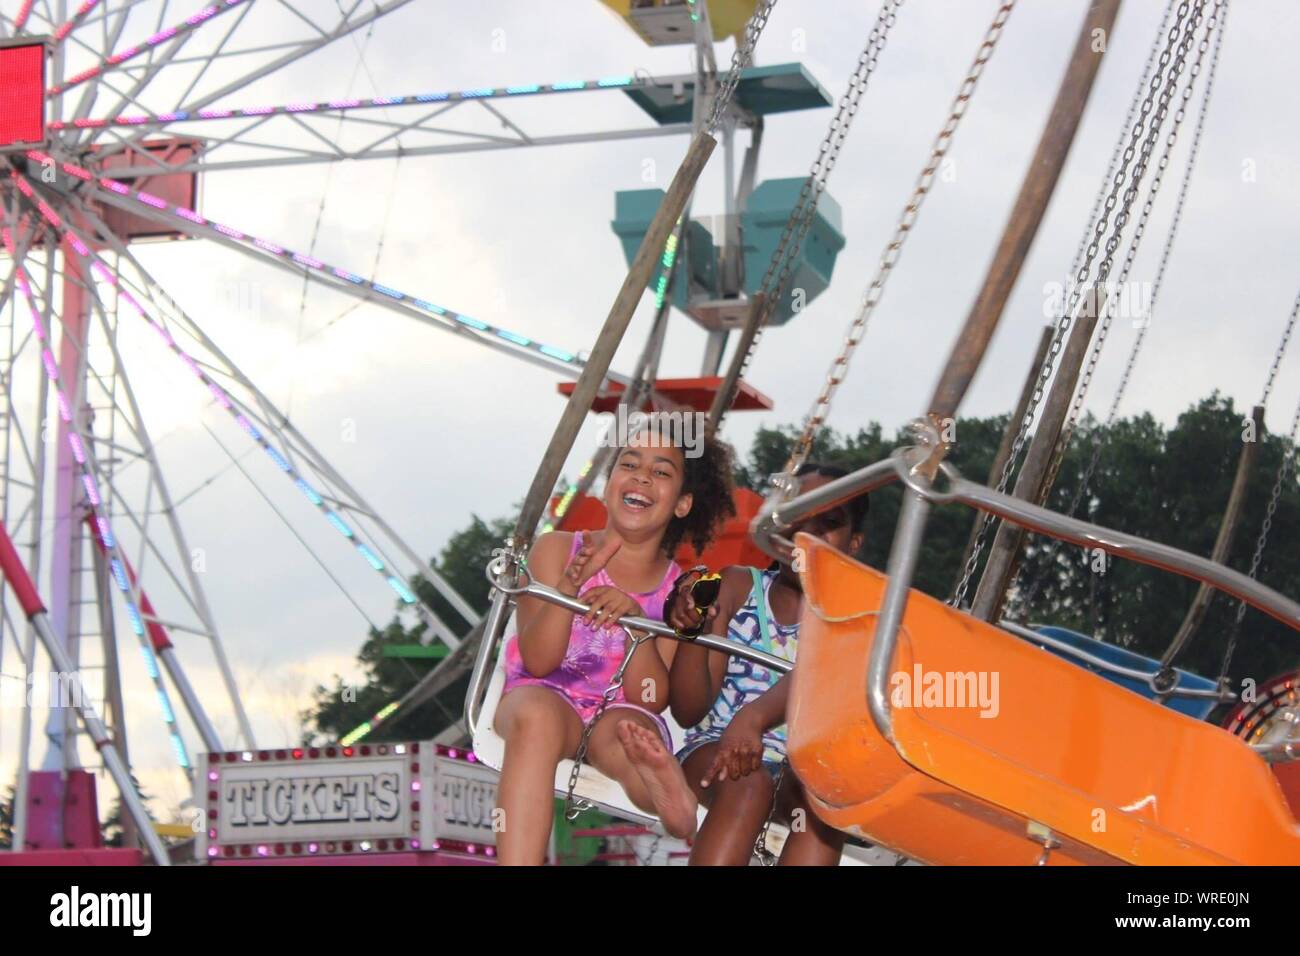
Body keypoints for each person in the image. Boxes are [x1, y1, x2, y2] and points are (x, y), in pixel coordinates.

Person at [492, 415, 736, 865]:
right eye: (630, 463)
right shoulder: (556, 549)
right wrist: (569, 588)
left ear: (682, 504)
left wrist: (640, 630)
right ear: (608, 486)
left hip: (617, 707)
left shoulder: (675, 589)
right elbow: (539, 661)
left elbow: (649, 696)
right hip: (543, 692)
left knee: (632, 736)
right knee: (538, 721)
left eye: (661, 471)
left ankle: (665, 793)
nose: (642, 475)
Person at [661, 462, 868, 865]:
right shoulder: (739, 587)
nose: (807, 532)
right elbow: (688, 711)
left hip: (801, 769)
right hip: (714, 750)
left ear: (853, 543)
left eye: (829, 521)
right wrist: (693, 631)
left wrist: (753, 718)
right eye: (797, 515)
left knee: (824, 805)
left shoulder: (853, 620)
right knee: (750, 784)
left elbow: (818, 677)